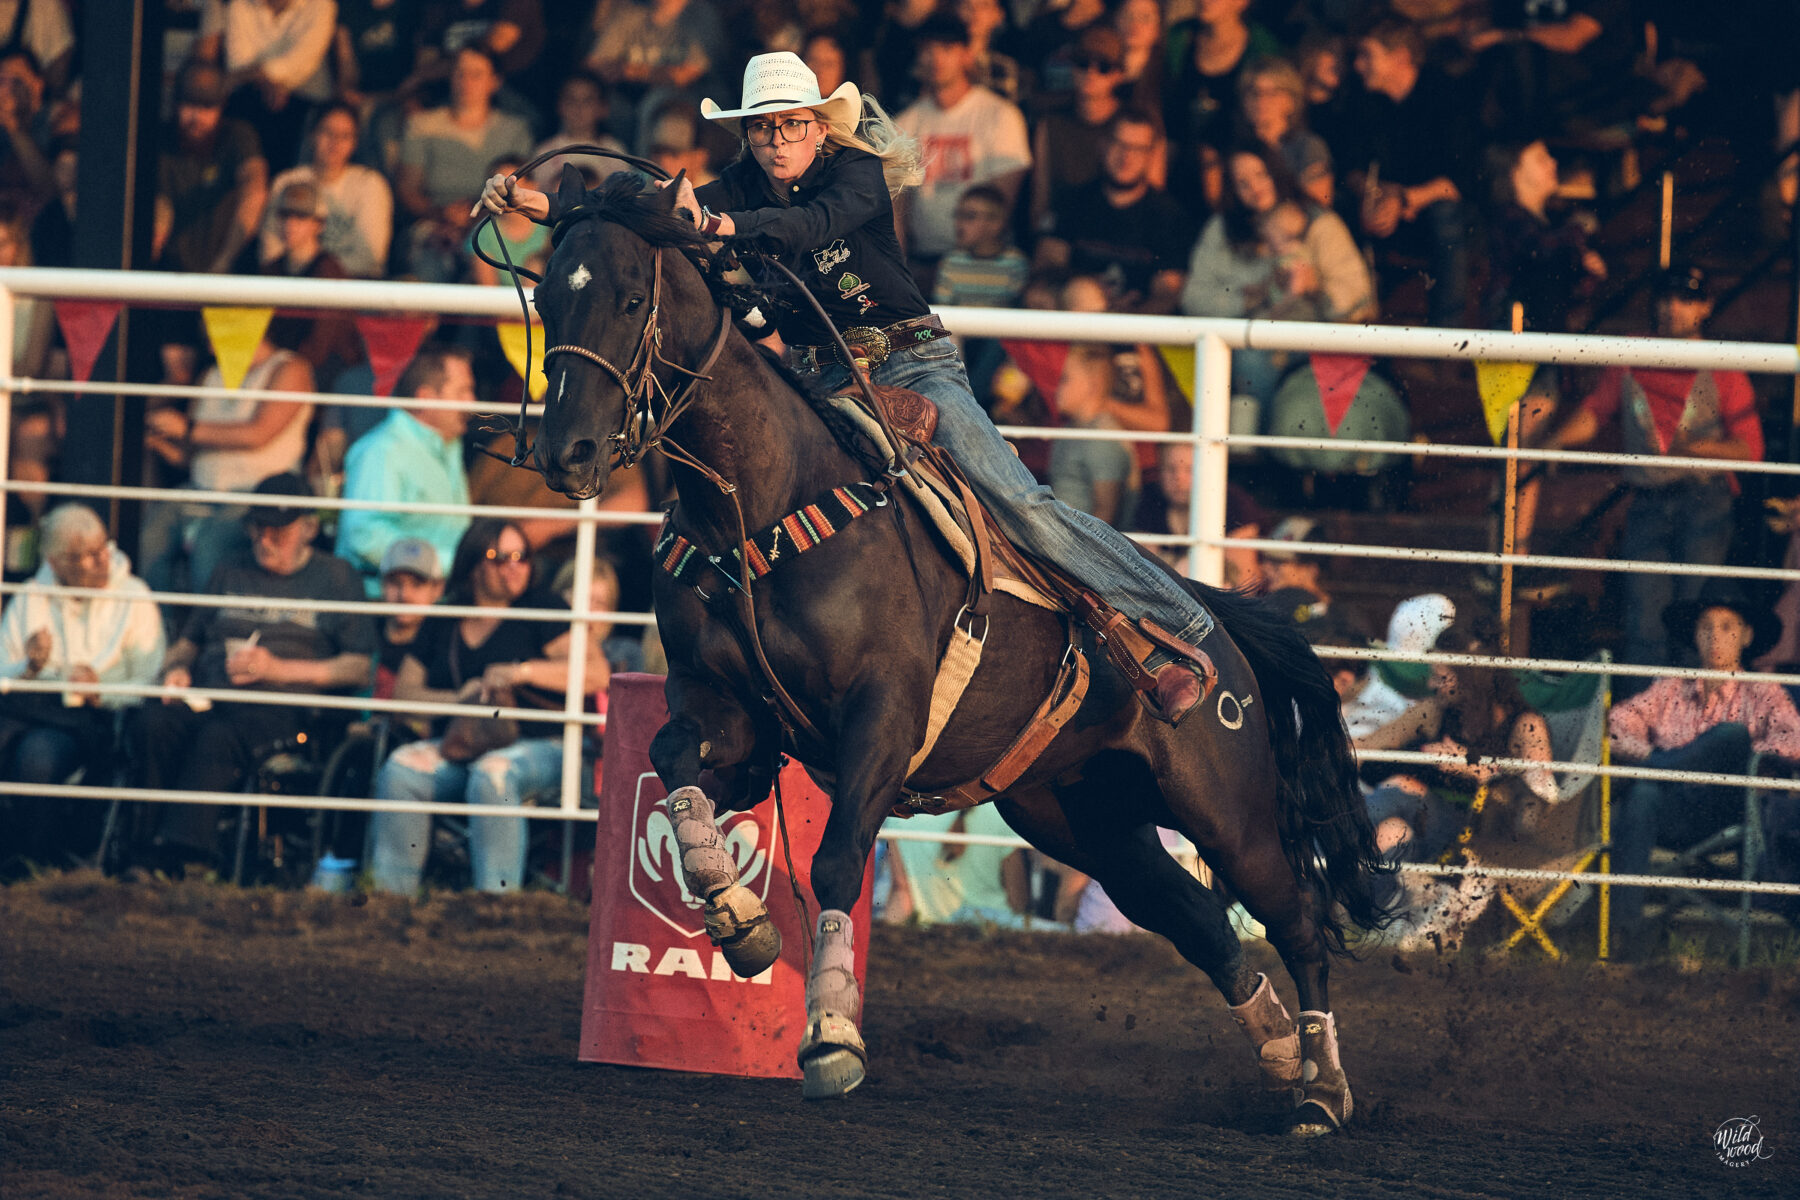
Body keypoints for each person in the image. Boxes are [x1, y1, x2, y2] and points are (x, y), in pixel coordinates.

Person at [478, 50, 1218, 722]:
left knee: (1020, 501)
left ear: (820, 127)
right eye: (762, 129)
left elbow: (802, 227)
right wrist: (549, 207)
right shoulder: (733, 188)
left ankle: (1180, 621)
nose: (776, 140)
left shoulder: (854, 171)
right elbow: (652, 213)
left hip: (911, 361)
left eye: (791, 126)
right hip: (812, 377)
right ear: (747, 136)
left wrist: (718, 222)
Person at [135, 474, 375, 872]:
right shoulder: (229, 569)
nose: (265, 541)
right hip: (212, 694)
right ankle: (142, 844)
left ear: (309, 528)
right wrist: (176, 668)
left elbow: (359, 666)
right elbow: (189, 640)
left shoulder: (336, 578)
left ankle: (188, 854)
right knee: (154, 723)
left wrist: (279, 669)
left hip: (284, 707)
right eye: (257, 529)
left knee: (222, 735)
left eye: (278, 532)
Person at [1547, 266, 1763, 668]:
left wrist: (1692, 448)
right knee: (1644, 622)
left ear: (1704, 307)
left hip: (1704, 502)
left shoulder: (1724, 364)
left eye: (1685, 299)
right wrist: (1555, 442)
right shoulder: (1632, 353)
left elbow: (1750, 449)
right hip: (1649, 502)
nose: (1672, 309)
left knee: (1694, 623)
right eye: (1665, 298)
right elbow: (1596, 411)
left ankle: (1686, 725)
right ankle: (1644, 725)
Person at [366, 519, 586, 894]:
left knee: (493, 774)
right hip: (464, 744)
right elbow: (404, 695)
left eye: (521, 556)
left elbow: (593, 672)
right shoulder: (448, 615)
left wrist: (523, 673)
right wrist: (461, 698)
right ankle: (392, 901)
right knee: (400, 770)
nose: (513, 566)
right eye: (498, 557)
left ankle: (495, 907)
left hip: (545, 746)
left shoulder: (543, 607)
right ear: (472, 562)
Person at [1607, 582, 1800, 956]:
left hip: (1729, 806)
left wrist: (1747, 756)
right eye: (1706, 627)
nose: (1716, 637)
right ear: (1694, 635)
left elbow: (1793, 740)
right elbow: (1615, 724)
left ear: (1745, 636)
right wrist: (1647, 755)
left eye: (1727, 627)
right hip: (1675, 808)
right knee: (1645, 793)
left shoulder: (1763, 691)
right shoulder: (1670, 689)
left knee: (1730, 736)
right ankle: (1624, 936)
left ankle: (1666, 766)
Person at [0, 505, 165, 866]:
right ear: (55, 562)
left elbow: (152, 679)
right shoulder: (31, 595)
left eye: (102, 548)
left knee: (37, 758)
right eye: (84, 556)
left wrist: (101, 691)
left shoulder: (134, 597)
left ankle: (33, 860)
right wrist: (29, 666)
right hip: (33, 709)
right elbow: (2, 669)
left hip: (96, 721)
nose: (99, 561)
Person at [1180, 143, 1374, 403]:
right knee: (1249, 366)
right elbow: (1194, 298)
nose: (1254, 188)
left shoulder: (1320, 223)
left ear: (1277, 173)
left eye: (1261, 175)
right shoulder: (1222, 229)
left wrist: (1315, 287)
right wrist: (1250, 297)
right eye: (1242, 182)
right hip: (1250, 350)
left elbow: (1359, 299)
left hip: (1317, 346)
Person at [1340, 18, 1475, 327]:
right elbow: (1351, 168)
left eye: (1367, 55)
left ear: (1400, 58)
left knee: (1446, 216)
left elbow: (1461, 180)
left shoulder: (1447, 96)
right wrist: (1375, 197)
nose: (1358, 65)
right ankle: (1356, 326)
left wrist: (1403, 199)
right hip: (1386, 211)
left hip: (1437, 214)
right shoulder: (1363, 101)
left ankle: (1446, 339)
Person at [894, 14, 1032, 288]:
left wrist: (958, 267)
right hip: (922, 266)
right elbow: (896, 210)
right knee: (924, 333)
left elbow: (1001, 202)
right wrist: (901, 272)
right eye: (927, 49)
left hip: (985, 266)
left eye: (946, 49)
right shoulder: (903, 124)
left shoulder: (1000, 115)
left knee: (979, 331)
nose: (935, 59)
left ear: (967, 55)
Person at [335, 344, 475, 595]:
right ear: (425, 398)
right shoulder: (382, 450)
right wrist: (443, 565)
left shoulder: (448, 444)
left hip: (433, 599)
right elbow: (365, 535)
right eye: (463, 391)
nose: (472, 402)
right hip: (385, 603)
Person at [1034, 108, 1195, 313]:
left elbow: (1167, 294)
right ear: (1103, 145)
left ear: (1151, 156)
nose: (1126, 156)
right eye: (1120, 144)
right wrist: (1085, 286)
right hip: (1072, 317)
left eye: (1138, 149)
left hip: (1132, 330)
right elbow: (1046, 265)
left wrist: (1122, 316)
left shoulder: (1169, 216)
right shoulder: (1072, 201)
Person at [396, 45, 533, 281]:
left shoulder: (515, 131)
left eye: (476, 74)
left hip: (497, 222)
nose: (466, 82)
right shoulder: (422, 125)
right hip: (436, 221)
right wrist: (441, 214)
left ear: (495, 81)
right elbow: (408, 189)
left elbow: (523, 190)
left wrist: (475, 220)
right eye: (460, 73)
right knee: (431, 256)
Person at [195, 0, 338, 171]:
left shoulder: (321, 5)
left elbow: (301, 60)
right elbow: (238, 62)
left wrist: (265, 78)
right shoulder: (240, 5)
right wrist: (266, 83)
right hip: (252, 90)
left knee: (287, 123)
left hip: (305, 93)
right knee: (239, 111)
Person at [259, 100, 395, 278]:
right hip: (293, 285)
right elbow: (270, 252)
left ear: (354, 143)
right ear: (312, 135)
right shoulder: (288, 181)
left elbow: (370, 258)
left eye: (345, 136)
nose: (335, 142)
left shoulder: (370, 184)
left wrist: (325, 271)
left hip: (353, 290)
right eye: (327, 132)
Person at [157, 63, 270, 274]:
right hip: (169, 277)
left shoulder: (237, 136)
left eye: (207, 107)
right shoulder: (160, 141)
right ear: (176, 104)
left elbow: (255, 189)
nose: (196, 117)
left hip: (226, 277)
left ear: (221, 106)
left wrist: (225, 261)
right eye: (189, 105)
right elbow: (157, 206)